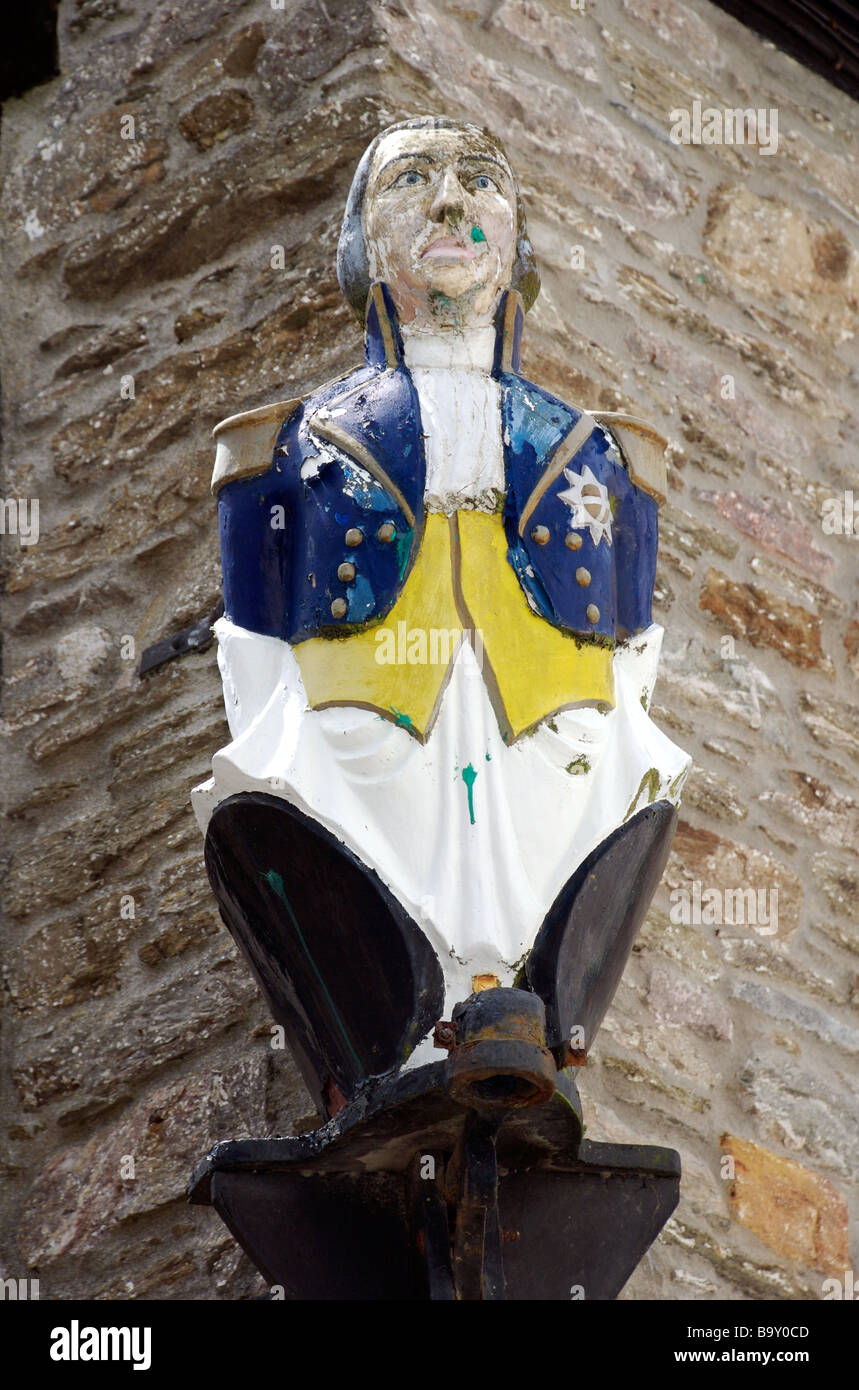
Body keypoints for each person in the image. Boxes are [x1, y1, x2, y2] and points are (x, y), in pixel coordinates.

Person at [193, 116, 690, 1103]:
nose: (453, 201)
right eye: (412, 179)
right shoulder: (288, 443)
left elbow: (632, 644)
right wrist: (283, 744)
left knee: (525, 882)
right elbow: (252, 637)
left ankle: (523, 1026)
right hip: (368, 718)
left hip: (546, 720)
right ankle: (399, 1043)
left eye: (481, 180)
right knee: (389, 886)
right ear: (364, 239)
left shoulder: (598, 450)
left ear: (519, 241)